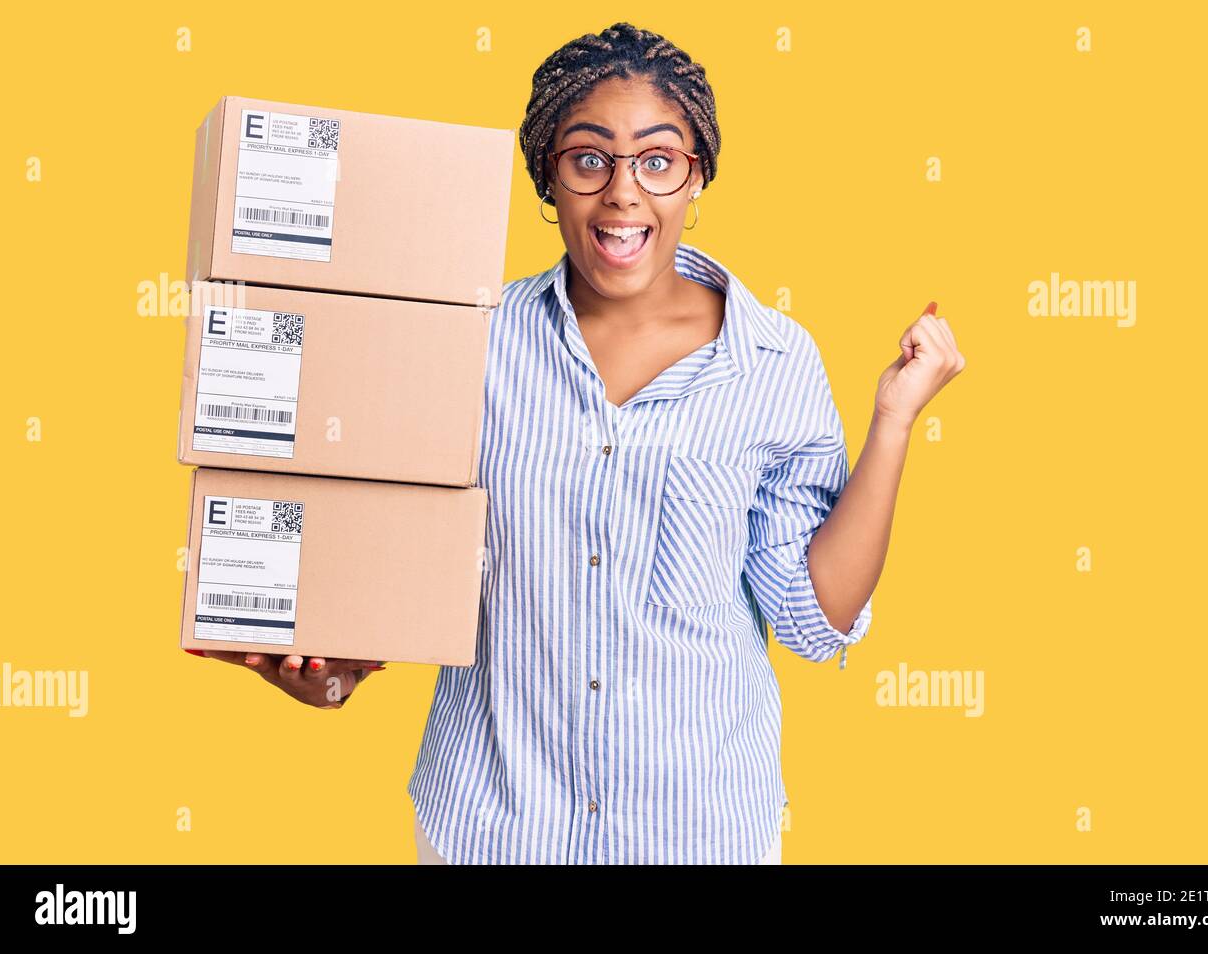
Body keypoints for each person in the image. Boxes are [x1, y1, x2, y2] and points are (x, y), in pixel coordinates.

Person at [196, 21, 965, 865]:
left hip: (696, 835)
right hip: (493, 830)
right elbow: (392, 549)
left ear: (696, 176)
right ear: (548, 179)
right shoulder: (466, 343)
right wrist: (327, 664)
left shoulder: (775, 364)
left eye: (658, 161)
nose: (623, 195)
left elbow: (815, 622)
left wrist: (892, 420)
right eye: (589, 159)